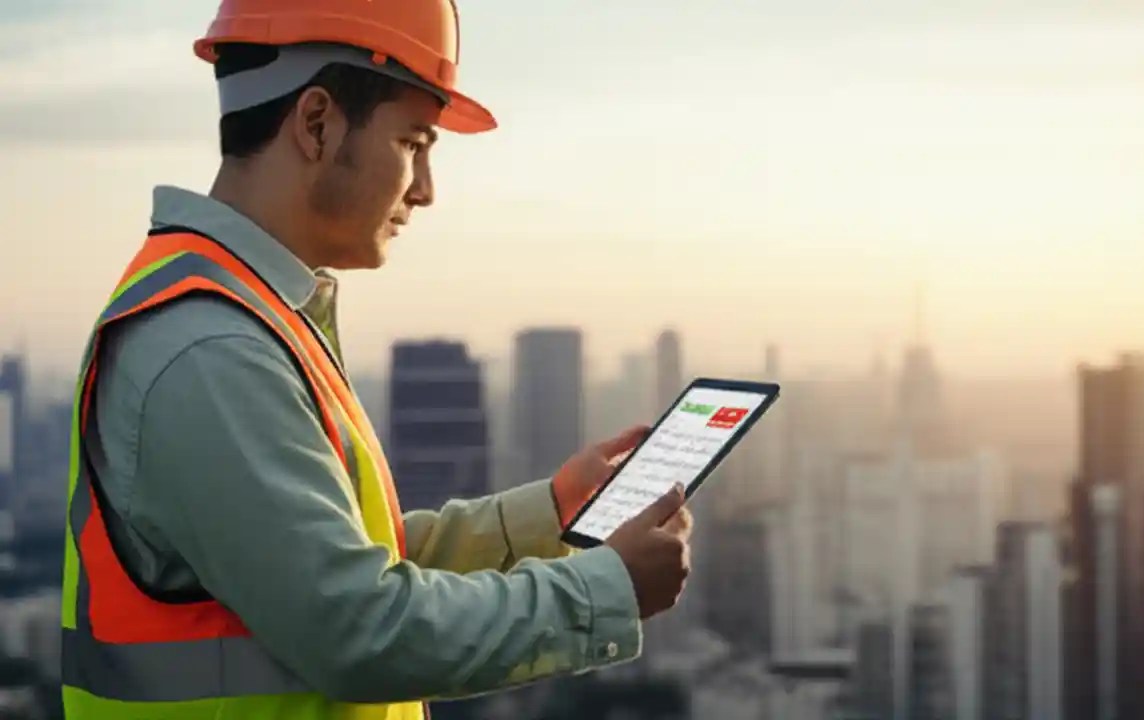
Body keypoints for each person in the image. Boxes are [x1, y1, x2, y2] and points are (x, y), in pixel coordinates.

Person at [59, 2, 693, 718]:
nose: (425, 190)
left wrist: (548, 515)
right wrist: (607, 590)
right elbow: (358, 630)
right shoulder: (211, 349)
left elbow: (343, 563)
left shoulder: (247, 319)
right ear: (317, 124)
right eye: (413, 143)